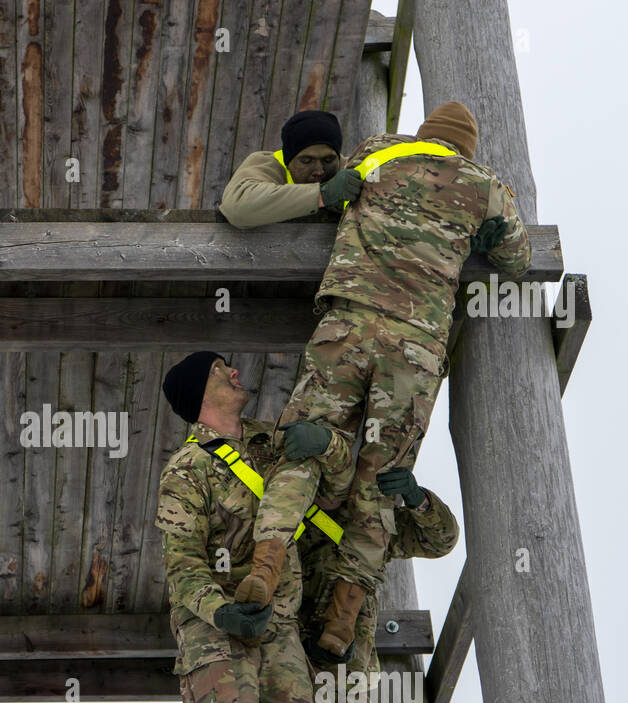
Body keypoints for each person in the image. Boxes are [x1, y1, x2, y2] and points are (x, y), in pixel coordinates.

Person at [236, 101, 532, 664]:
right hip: (416, 346)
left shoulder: (376, 151)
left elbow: (331, 192)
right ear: (464, 148)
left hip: (347, 322)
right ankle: (341, 624)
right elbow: (516, 257)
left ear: (422, 135)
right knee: (381, 481)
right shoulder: (484, 185)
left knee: (299, 450)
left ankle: (264, 566)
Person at [154, 351, 353, 703]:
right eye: (223, 369)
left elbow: (341, 481)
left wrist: (328, 445)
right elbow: (182, 566)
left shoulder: (275, 444)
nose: (237, 372)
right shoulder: (187, 471)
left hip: (280, 621)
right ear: (200, 393)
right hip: (215, 623)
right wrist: (221, 612)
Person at [301, 466, 460, 703]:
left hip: (352, 694)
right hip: (298, 689)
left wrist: (418, 499)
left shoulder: (368, 531)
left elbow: (440, 539)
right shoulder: (286, 526)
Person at [219, 109, 362, 227]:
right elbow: (238, 208)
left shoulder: (350, 168)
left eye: (328, 160)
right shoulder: (267, 164)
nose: (319, 170)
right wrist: (323, 194)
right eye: (306, 161)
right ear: (289, 160)